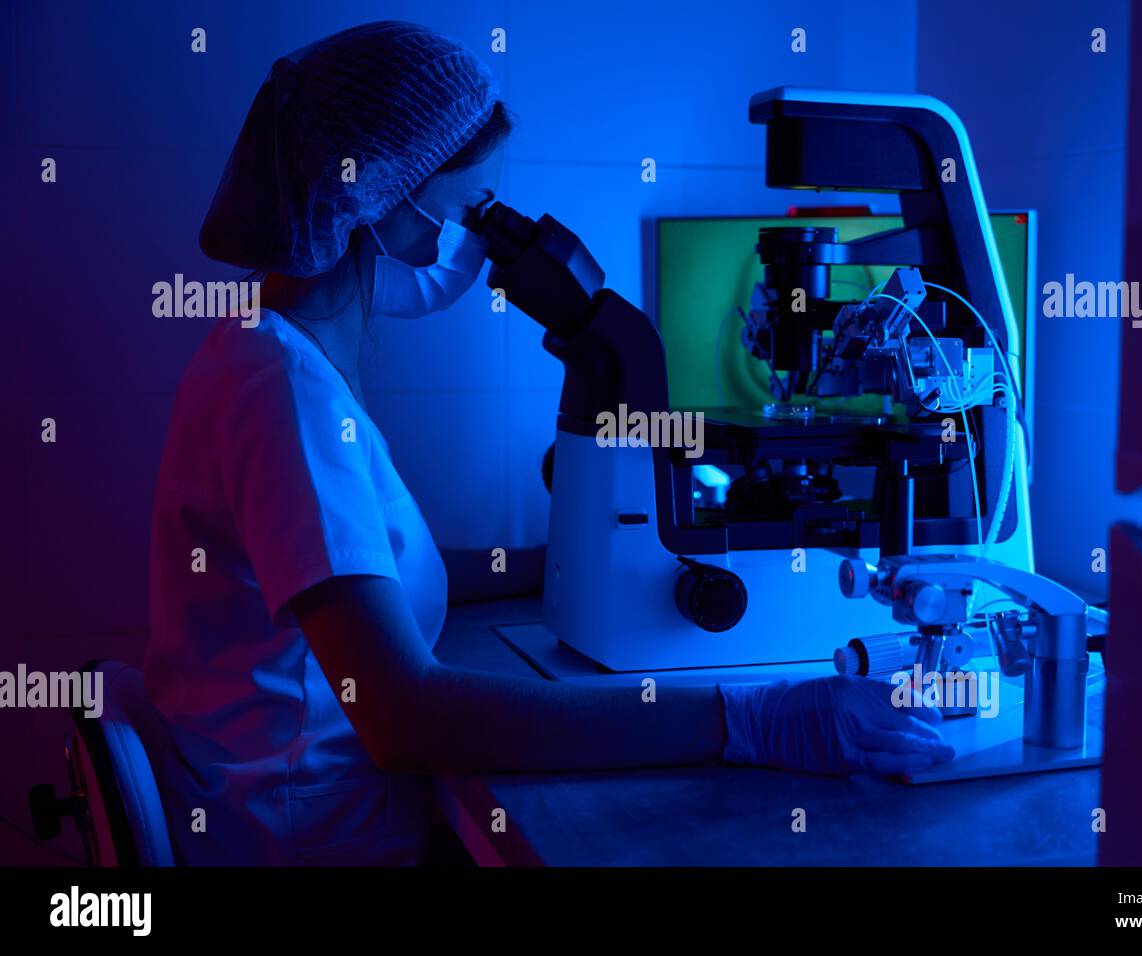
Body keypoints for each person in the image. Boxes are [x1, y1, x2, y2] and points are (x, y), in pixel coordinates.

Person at [144, 21, 954, 866]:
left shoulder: (273, 357)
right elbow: (406, 715)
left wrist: (562, 559)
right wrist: (746, 718)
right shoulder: (283, 391)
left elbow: (360, 575)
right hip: (306, 841)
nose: (470, 244)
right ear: (376, 203)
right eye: (464, 212)